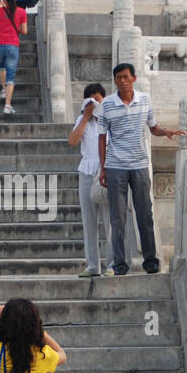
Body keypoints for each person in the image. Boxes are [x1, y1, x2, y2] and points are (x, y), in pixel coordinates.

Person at [95, 62, 184, 275]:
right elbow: (101, 137)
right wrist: (103, 167)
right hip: (116, 166)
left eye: (126, 77)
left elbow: (152, 127)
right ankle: (119, 264)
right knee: (118, 217)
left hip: (140, 165)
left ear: (133, 78)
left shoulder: (145, 100)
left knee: (145, 215)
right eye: (118, 78)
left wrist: (166, 132)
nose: (123, 81)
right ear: (115, 80)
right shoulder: (106, 104)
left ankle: (151, 261)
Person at [69, 83, 113, 277]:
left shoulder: (110, 119)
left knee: (110, 220)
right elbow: (73, 140)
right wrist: (86, 118)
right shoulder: (82, 119)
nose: (96, 102)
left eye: (99, 98)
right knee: (89, 220)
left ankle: (113, 263)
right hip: (87, 170)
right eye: (92, 99)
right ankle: (93, 265)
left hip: (107, 169)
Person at [0, 0, 27, 114]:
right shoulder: (21, 12)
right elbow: (25, 31)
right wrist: (17, 28)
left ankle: (3, 89)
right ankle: (7, 106)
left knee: (2, 66)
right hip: (12, 45)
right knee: (10, 77)